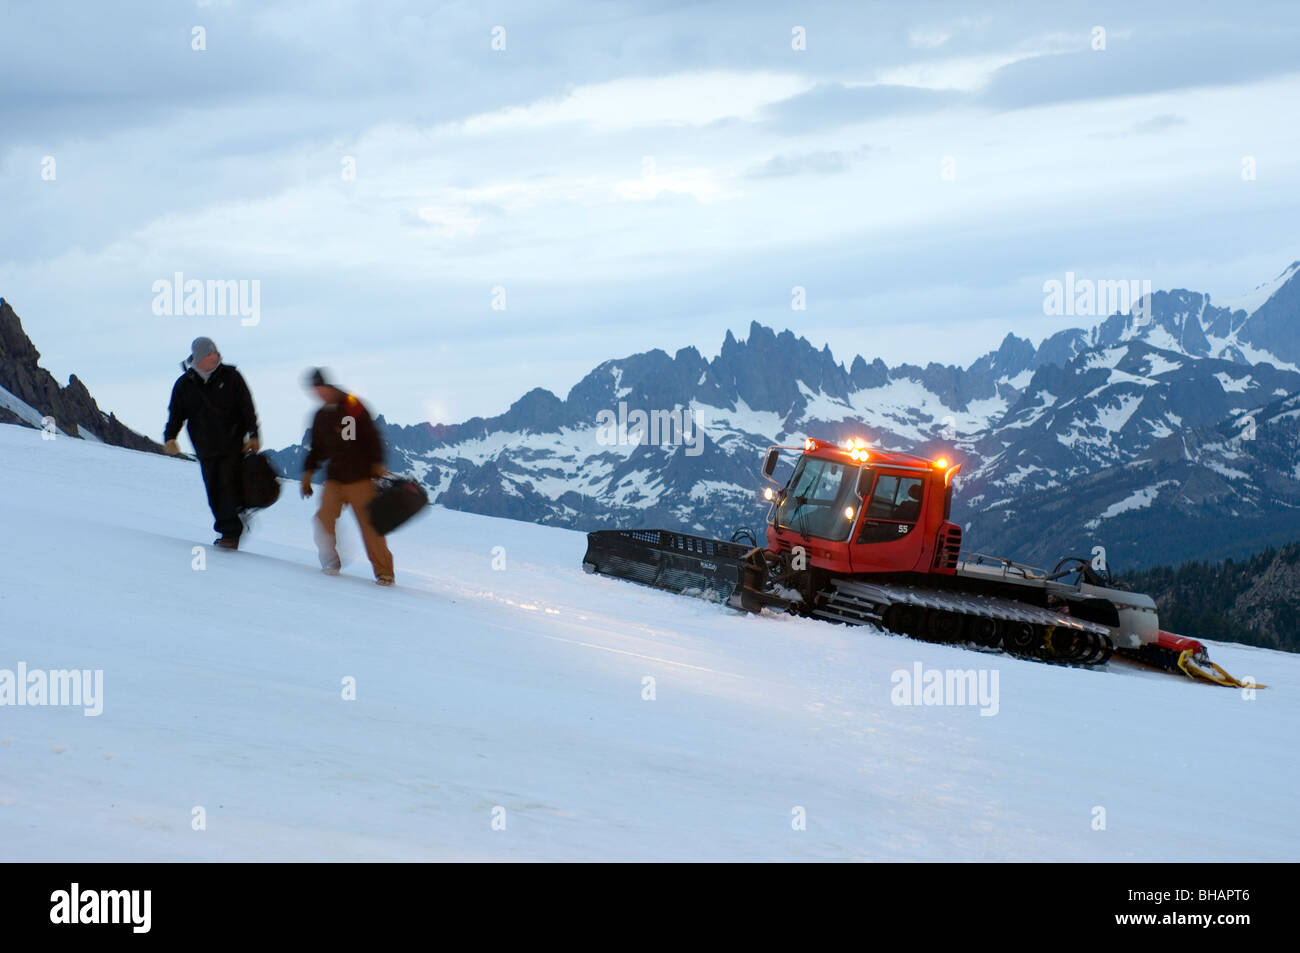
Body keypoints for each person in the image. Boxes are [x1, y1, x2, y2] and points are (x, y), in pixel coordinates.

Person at [300, 368, 394, 586]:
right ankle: (331, 562)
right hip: (335, 478)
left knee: (371, 527)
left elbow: (372, 436)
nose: (319, 393)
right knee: (323, 519)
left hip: (360, 478)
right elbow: (316, 449)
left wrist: (377, 463)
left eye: (321, 388)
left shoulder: (353, 405)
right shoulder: (321, 415)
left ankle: (385, 573)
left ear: (328, 386)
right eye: (315, 390)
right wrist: (308, 473)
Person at [163, 337, 260, 550]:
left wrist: (254, 434)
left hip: (232, 443)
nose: (214, 357)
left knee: (227, 485)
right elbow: (176, 414)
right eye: (209, 354)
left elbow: (247, 406)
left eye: (216, 353)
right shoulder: (184, 384)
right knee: (213, 490)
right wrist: (170, 437)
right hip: (205, 447)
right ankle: (230, 524)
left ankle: (230, 535)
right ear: (198, 358)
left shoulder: (231, 376)